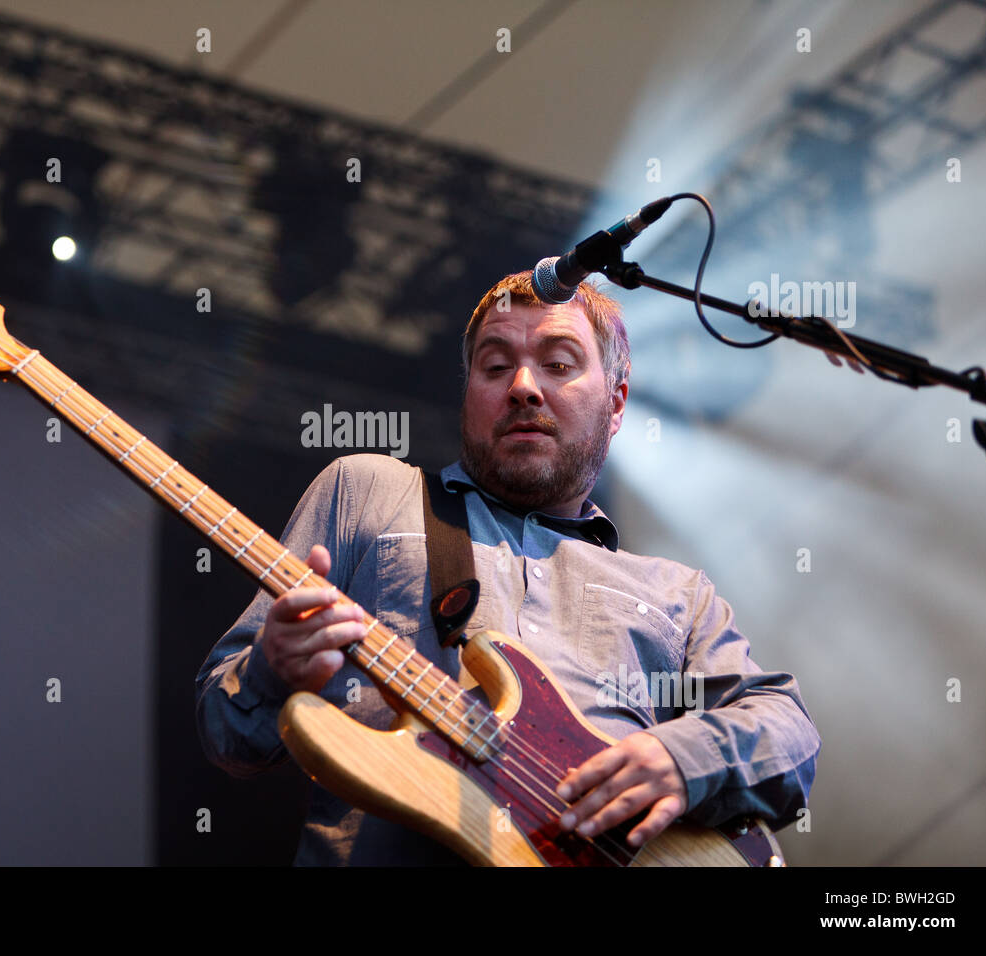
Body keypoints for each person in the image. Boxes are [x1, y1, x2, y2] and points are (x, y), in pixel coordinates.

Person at [195, 270, 820, 866]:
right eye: (495, 366)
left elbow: (788, 732)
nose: (523, 385)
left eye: (558, 364)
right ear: (469, 394)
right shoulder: (365, 491)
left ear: (617, 402)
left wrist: (680, 760)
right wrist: (272, 668)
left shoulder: (678, 593)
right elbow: (226, 731)